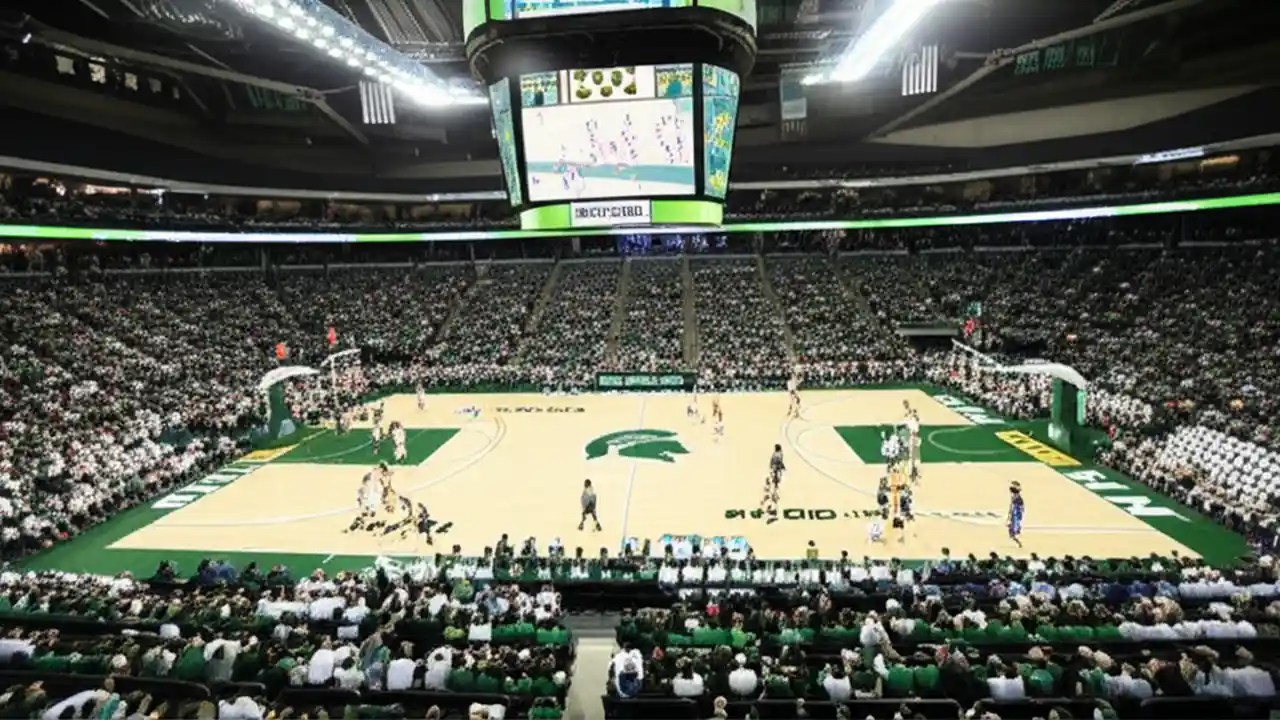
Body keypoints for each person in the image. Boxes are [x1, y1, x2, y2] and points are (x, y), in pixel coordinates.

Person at [1008, 481, 1025, 548]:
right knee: (1013, 532)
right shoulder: (1016, 497)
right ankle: (1018, 541)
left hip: (1016, 514)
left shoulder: (1016, 498)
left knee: (1013, 533)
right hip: (1016, 514)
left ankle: (1019, 542)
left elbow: (1016, 508)